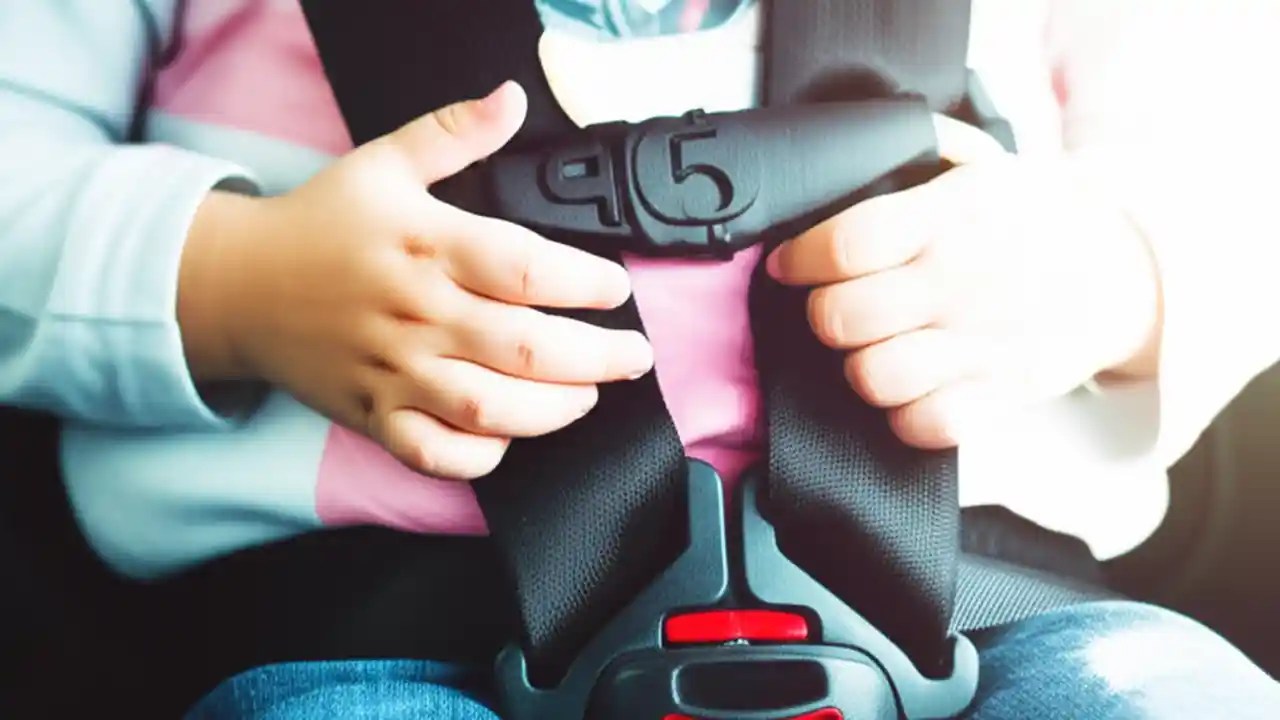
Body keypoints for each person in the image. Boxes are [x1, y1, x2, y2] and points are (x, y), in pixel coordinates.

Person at [1, 0, 1279, 717]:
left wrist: (1113, 274)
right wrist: (239, 280)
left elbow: (1237, 162)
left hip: (993, 622)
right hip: (382, 638)